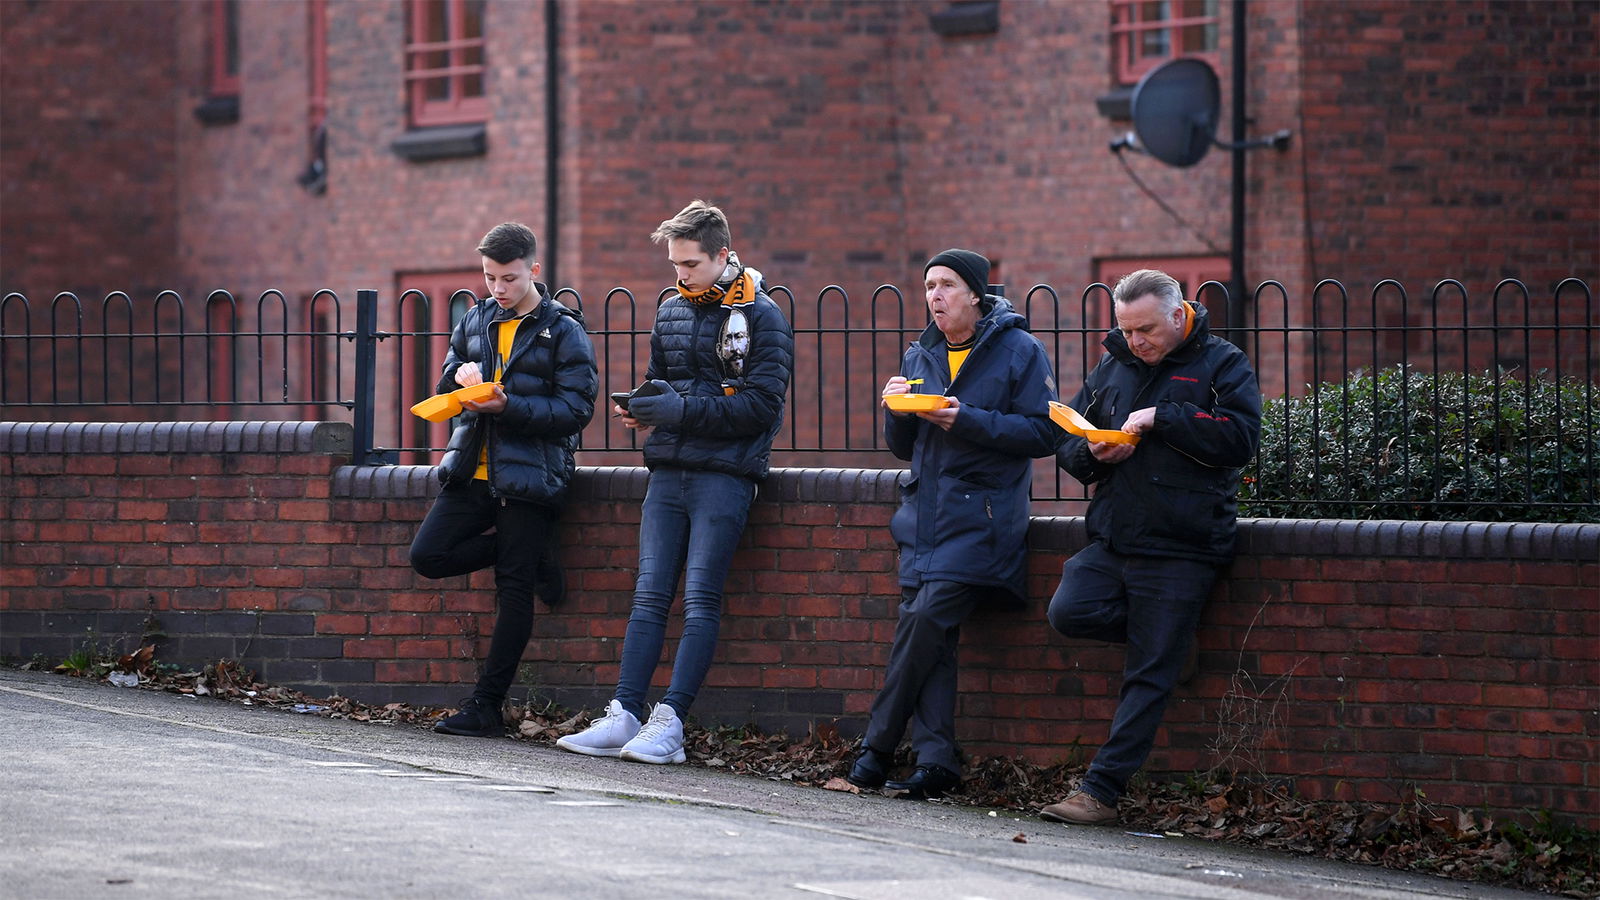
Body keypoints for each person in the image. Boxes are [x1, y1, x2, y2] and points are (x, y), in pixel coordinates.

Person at [557, 200, 793, 764]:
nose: (680, 275)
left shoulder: (763, 317)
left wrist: (679, 409)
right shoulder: (671, 310)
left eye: (690, 264)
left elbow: (761, 407)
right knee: (648, 596)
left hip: (726, 476)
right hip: (669, 470)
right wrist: (644, 409)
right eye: (675, 266)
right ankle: (624, 713)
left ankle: (671, 723)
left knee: (700, 599)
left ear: (724, 256)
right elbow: (659, 381)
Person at [1039, 268, 1260, 824]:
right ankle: (1170, 644)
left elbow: (1241, 439)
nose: (1135, 341)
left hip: (1184, 544)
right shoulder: (1113, 364)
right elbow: (1069, 436)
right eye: (1126, 329)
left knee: (1147, 674)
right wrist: (1094, 455)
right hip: (1114, 536)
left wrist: (1166, 418)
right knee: (1069, 609)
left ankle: (1100, 794)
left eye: (1144, 330)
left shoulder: (1223, 362)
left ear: (1178, 313)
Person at [846, 249, 1059, 799]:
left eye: (945, 286)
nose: (934, 296)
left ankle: (875, 749)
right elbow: (903, 448)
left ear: (974, 295)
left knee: (922, 622)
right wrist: (894, 408)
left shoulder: (1019, 350)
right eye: (928, 286)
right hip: (923, 520)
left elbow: (1043, 433)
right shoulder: (923, 353)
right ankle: (938, 764)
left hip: (981, 520)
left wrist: (968, 420)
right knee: (931, 640)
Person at [409, 222, 598, 737]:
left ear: (534, 271)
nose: (497, 288)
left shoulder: (564, 330)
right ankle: (533, 552)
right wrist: (461, 380)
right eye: (490, 277)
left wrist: (509, 405)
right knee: (428, 556)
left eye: (508, 278)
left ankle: (486, 706)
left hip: (531, 478)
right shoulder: (475, 318)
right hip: (472, 468)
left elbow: (577, 410)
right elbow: (448, 374)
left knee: (513, 590)